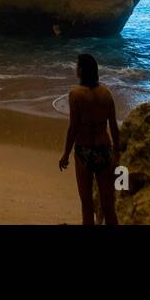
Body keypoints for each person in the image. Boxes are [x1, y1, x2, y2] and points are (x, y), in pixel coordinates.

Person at [58, 53, 120, 225]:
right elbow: (114, 127)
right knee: (108, 206)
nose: (75, 69)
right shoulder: (106, 93)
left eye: (77, 66)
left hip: (84, 151)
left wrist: (65, 154)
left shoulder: (75, 94)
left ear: (82, 71)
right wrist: (117, 153)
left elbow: (74, 127)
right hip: (104, 150)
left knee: (87, 205)